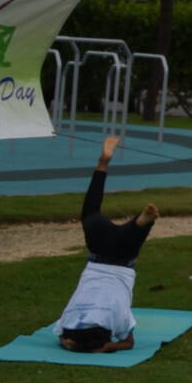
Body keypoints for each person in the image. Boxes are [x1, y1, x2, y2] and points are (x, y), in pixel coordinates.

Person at [54, 134, 157, 352]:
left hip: (121, 263)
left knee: (132, 238)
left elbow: (128, 343)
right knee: (90, 212)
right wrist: (70, 343)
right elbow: (63, 339)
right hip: (97, 255)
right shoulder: (70, 321)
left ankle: (142, 222)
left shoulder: (116, 320)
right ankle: (102, 164)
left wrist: (106, 347)